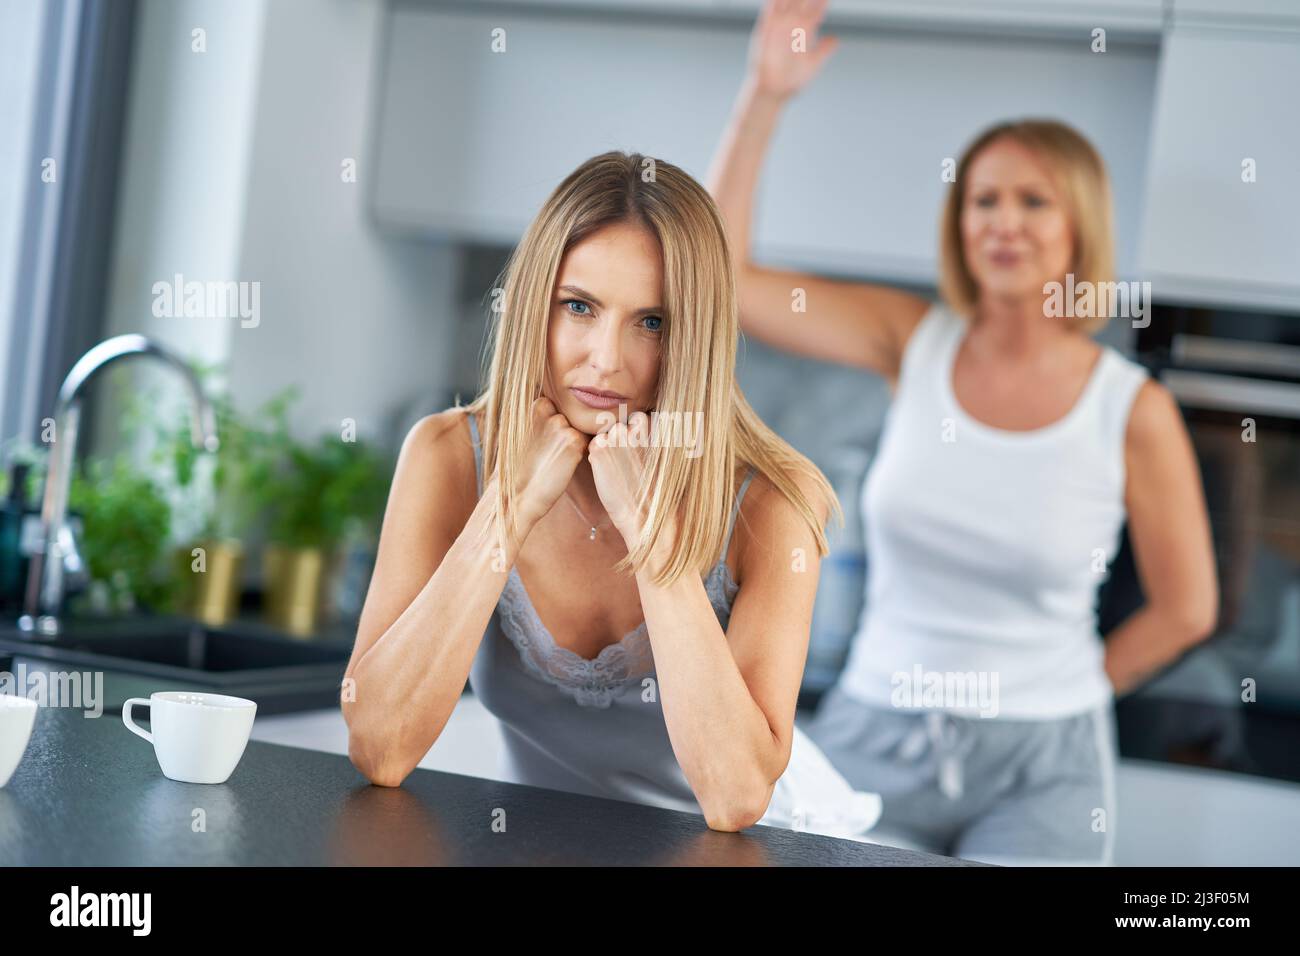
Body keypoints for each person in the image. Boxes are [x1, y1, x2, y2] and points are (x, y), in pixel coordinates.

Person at [705, 0, 1219, 863]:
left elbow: (1187, 607)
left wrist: (1068, 689)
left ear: (1079, 226)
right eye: (984, 199)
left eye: (1032, 201)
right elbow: (720, 278)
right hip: (875, 729)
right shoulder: (914, 339)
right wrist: (763, 97)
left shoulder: (1131, 407)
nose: (1003, 221)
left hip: (1043, 766)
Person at [343, 149, 881, 838]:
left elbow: (735, 796)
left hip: (766, 848)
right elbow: (380, 748)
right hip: (553, 845)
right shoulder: (448, 457)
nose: (606, 359)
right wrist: (506, 511)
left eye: (651, 322)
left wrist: (650, 530)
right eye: (579, 307)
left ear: (696, 334)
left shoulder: (771, 503)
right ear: (536, 302)